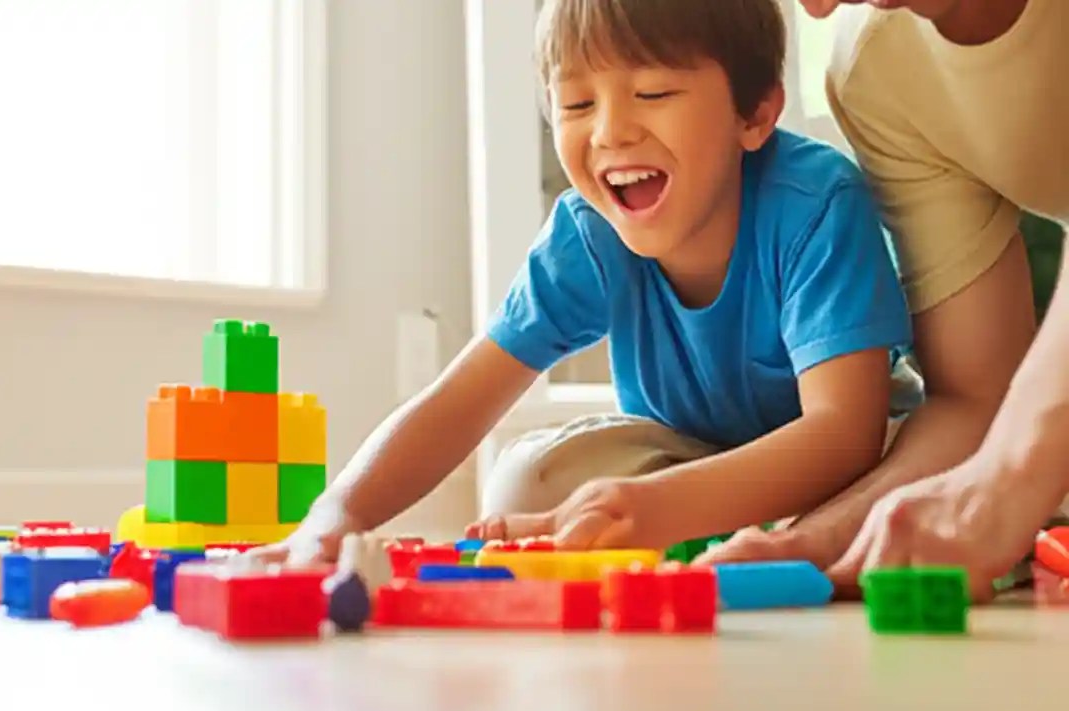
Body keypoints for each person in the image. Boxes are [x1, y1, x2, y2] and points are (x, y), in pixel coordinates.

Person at [252, 0, 915, 565]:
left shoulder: (815, 203)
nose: (610, 132)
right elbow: (459, 402)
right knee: (525, 484)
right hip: (689, 456)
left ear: (755, 115)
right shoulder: (589, 233)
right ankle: (708, 532)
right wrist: (334, 518)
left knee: (904, 478)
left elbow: (843, 434)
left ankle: (749, 535)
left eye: (652, 93)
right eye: (574, 103)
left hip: (844, 467)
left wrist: (651, 508)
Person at [698, 0, 1069, 600]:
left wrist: (1004, 482)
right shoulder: (878, 65)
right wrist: (821, 541)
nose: (819, 10)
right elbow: (978, 399)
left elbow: (1011, 454)